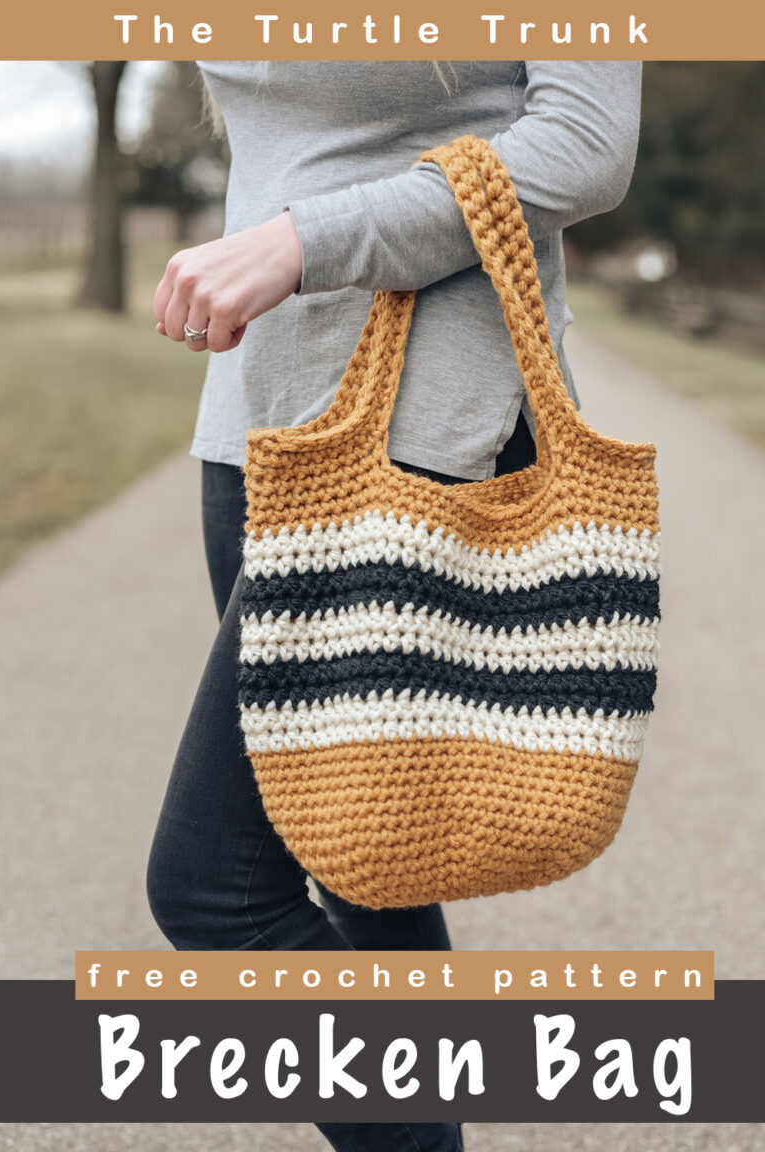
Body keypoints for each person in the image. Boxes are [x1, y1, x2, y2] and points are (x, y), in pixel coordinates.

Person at [147, 61, 641, 1152]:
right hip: (261, 414)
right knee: (367, 858)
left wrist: (299, 242)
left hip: (438, 412)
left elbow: (585, 146)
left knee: (217, 895)